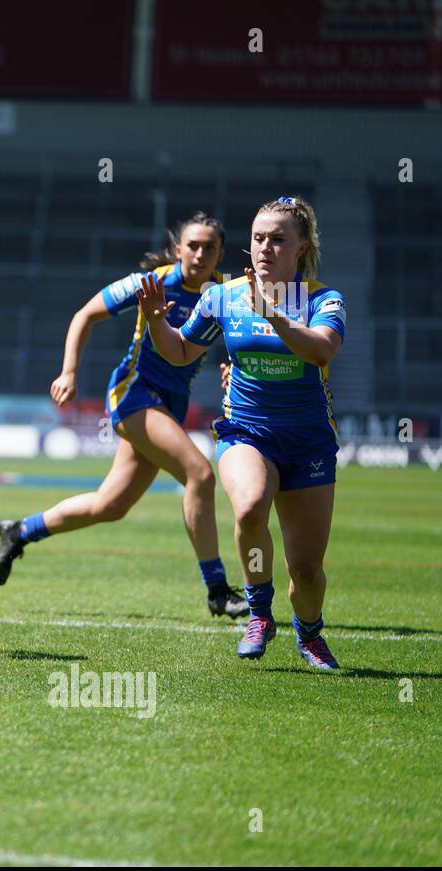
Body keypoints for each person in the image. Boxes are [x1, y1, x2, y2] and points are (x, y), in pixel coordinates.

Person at [0, 212, 247, 619]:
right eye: (193, 245)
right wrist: (69, 371)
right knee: (199, 473)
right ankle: (217, 589)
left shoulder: (223, 294)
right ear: (178, 249)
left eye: (210, 247)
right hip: (134, 394)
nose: (200, 253)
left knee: (110, 505)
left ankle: (20, 531)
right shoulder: (151, 283)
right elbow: (84, 316)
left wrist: (235, 366)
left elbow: (238, 339)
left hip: (170, 404)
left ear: (220, 254)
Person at [139, 196, 344, 670]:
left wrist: (273, 314)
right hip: (245, 432)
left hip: (308, 443)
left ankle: (309, 635)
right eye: (257, 239)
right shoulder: (222, 296)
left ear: (302, 247)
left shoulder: (323, 298)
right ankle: (258, 611)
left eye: (277, 240)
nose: (265, 248)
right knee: (250, 506)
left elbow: (321, 351)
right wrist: (155, 322)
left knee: (307, 571)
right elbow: (180, 350)